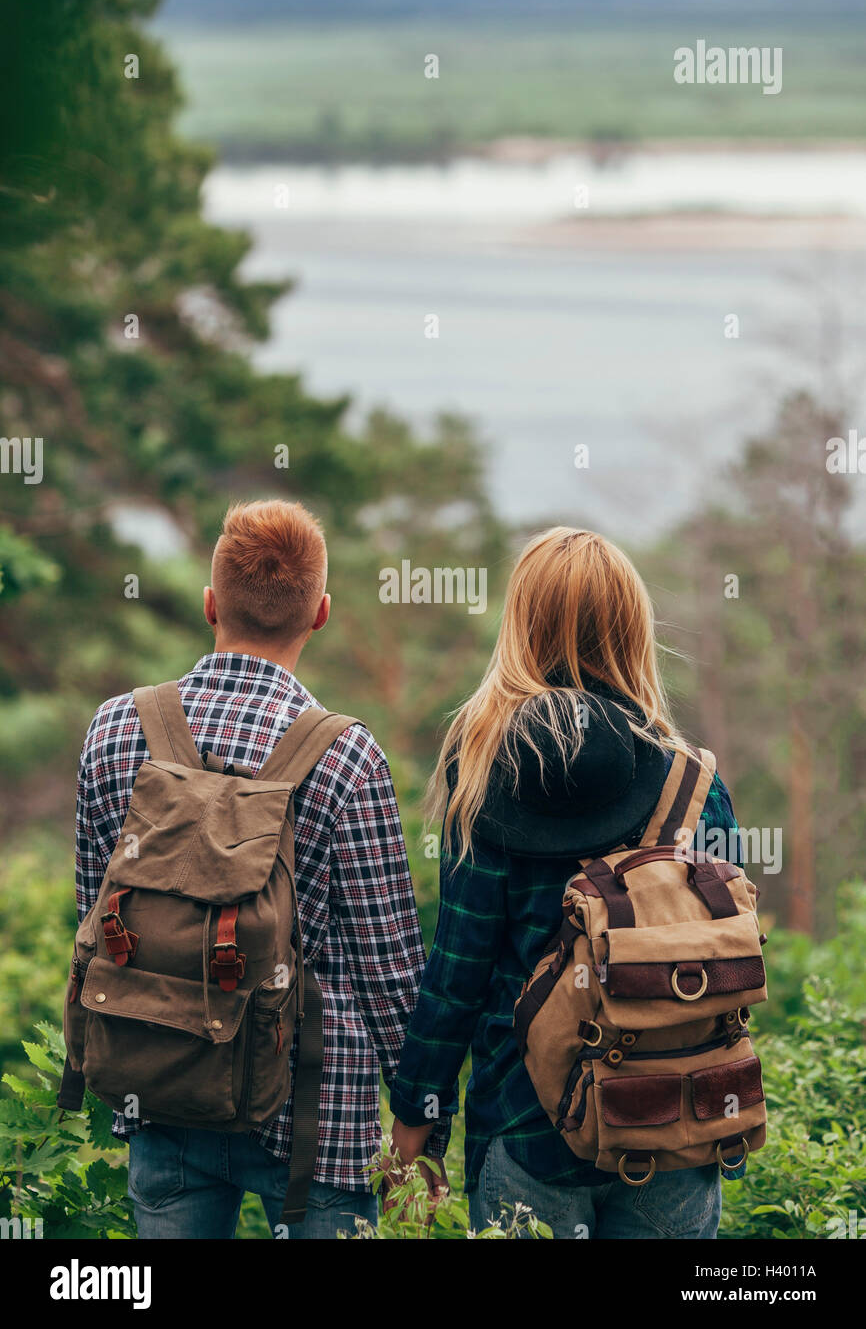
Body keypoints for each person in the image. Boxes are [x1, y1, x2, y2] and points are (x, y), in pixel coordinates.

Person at [75, 498, 449, 1239]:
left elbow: (93, 919)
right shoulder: (347, 756)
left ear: (211, 604)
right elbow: (391, 972)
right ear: (321, 614)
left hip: (162, 1086)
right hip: (317, 1119)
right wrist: (423, 1126)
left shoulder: (117, 728)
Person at [389, 526, 741, 1239]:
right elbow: (728, 952)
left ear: (521, 625)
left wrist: (419, 1116)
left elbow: (457, 973)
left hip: (528, 1126)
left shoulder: (486, 774)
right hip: (675, 1118)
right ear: (633, 626)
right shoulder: (694, 784)